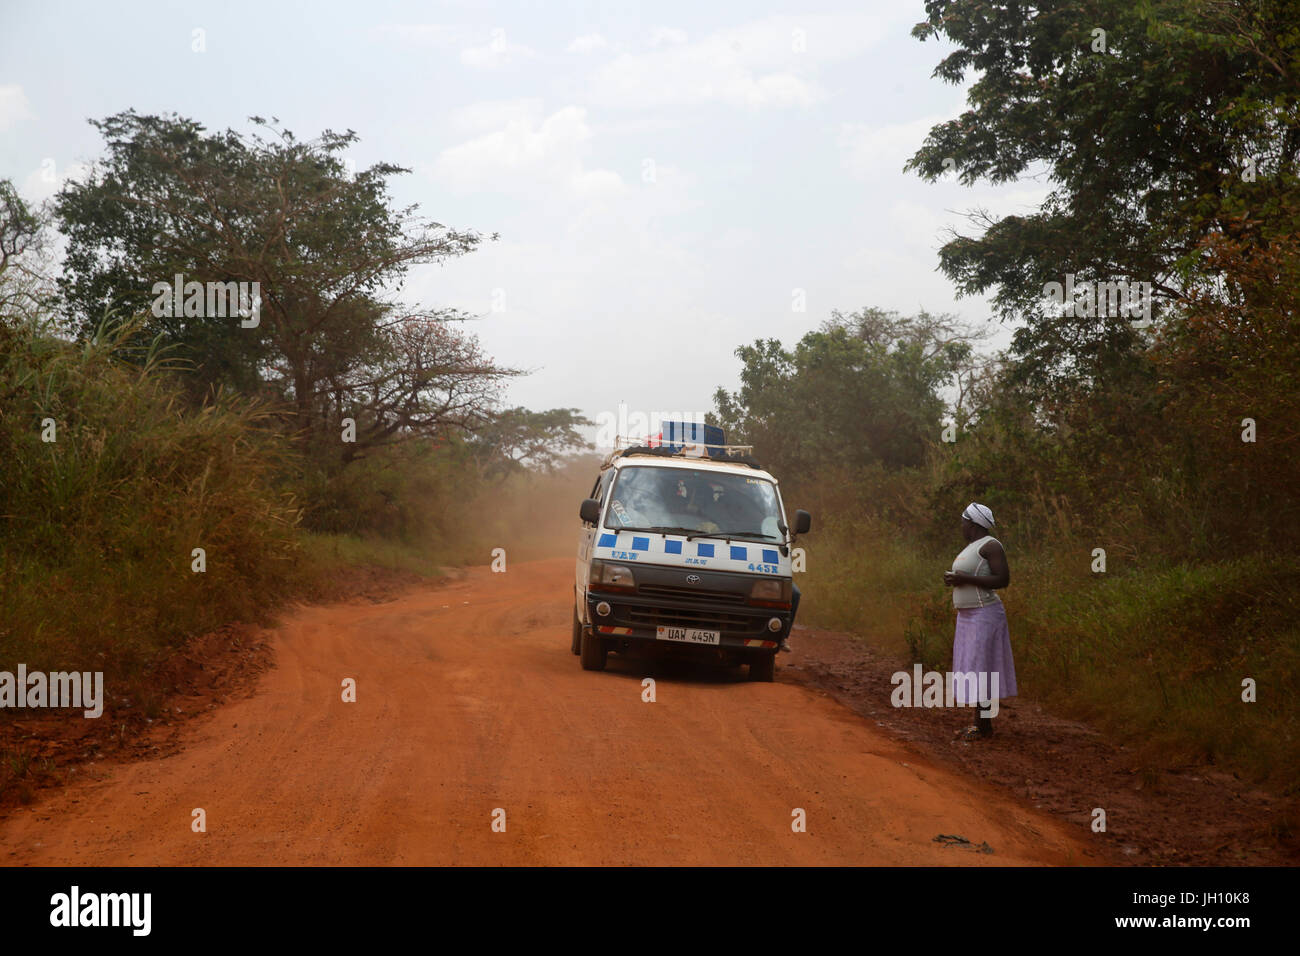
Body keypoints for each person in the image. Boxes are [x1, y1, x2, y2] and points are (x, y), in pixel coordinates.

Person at [942, 502, 1016, 739]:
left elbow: (1002, 579)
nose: (961, 526)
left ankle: (983, 726)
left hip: (984, 614)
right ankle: (981, 724)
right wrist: (956, 579)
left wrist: (966, 578)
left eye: (964, 522)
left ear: (972, 524)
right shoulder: (972, 547)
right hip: (968, 616)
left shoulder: (991, 546)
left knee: (981, 668)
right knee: (972, 667)